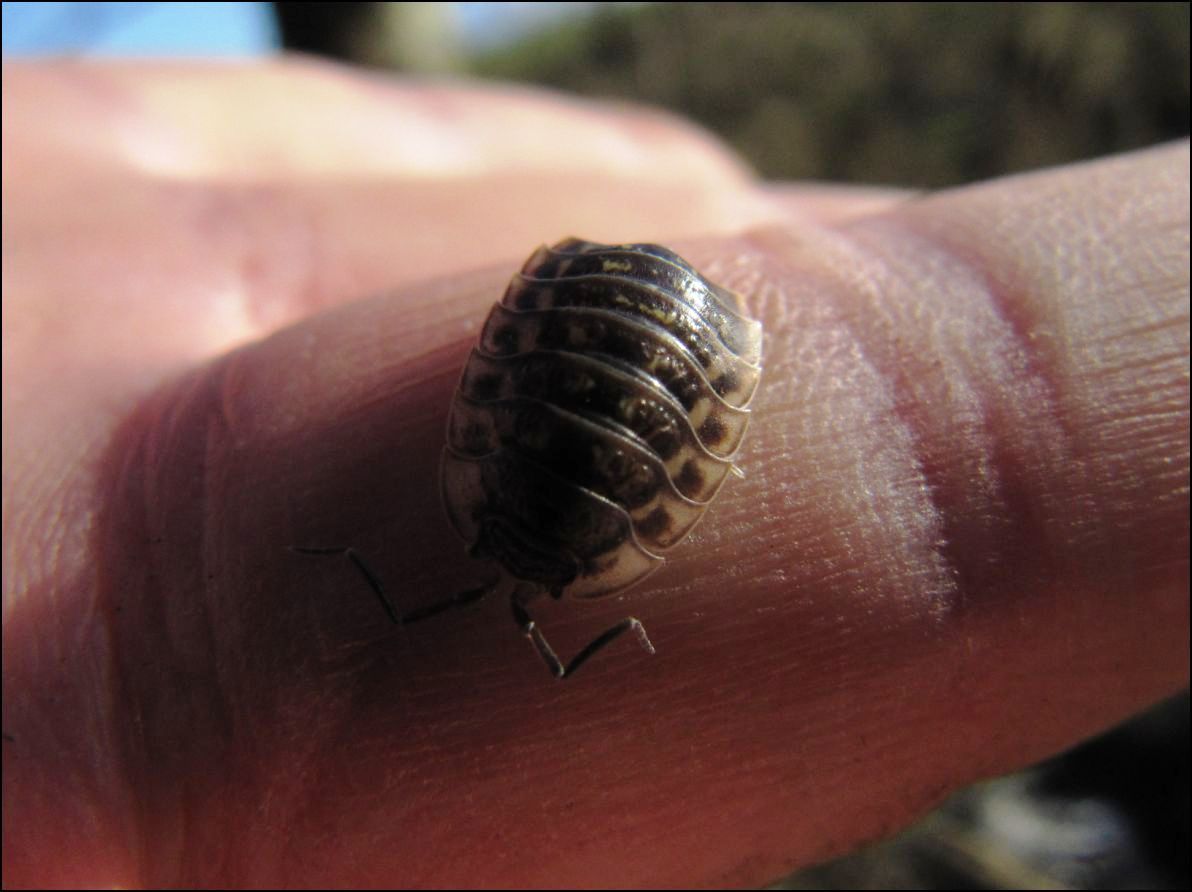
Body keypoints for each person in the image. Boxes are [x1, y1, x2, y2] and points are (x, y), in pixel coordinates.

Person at [3, 58, 1187, 889]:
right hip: (634, 334)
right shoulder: (542, 508)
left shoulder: (501, 497)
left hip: (646, 329)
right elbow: (503, 402)